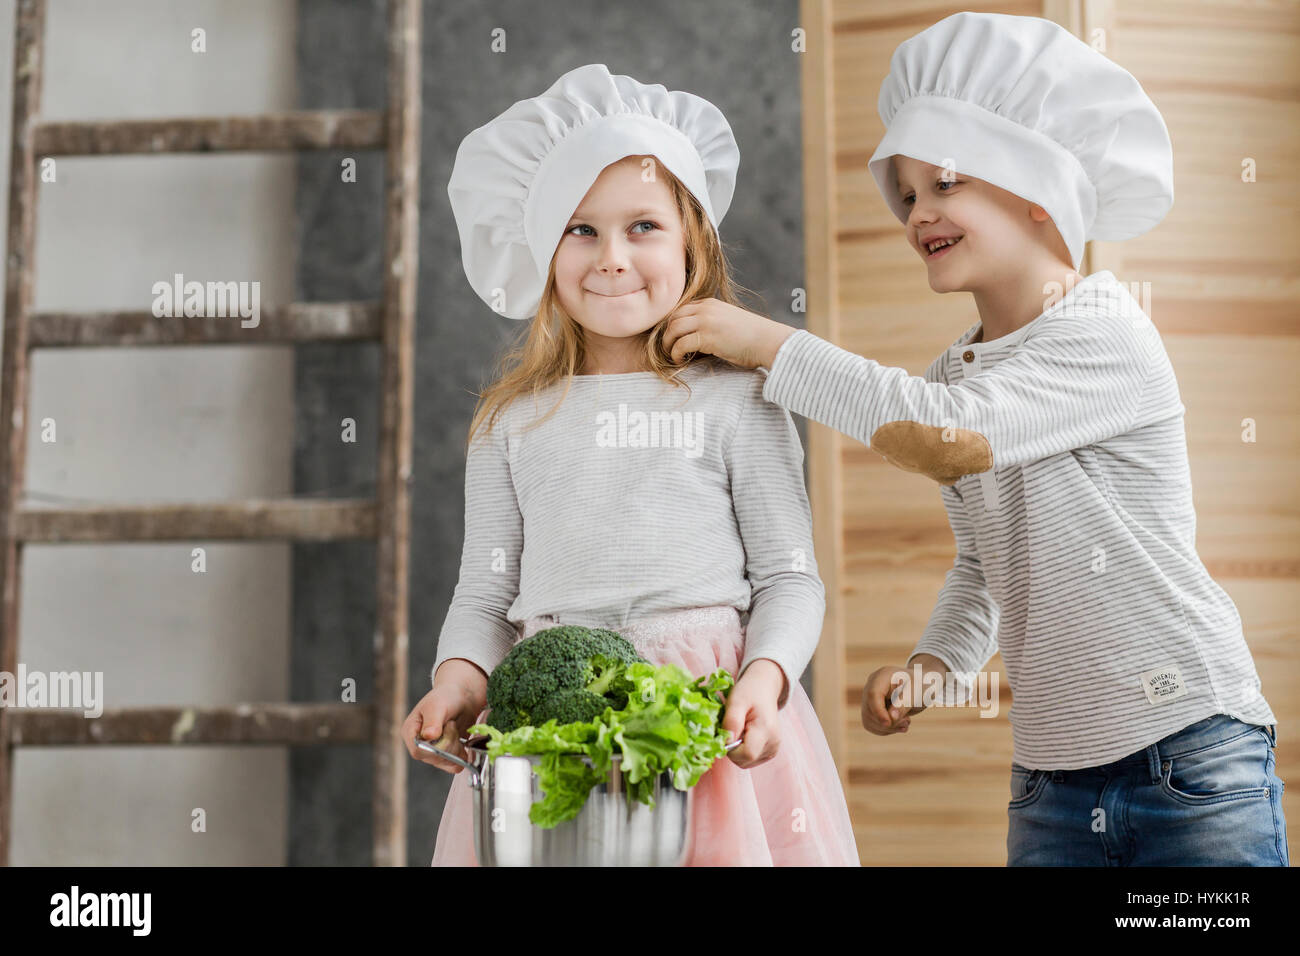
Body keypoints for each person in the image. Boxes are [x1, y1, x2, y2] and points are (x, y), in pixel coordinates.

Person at [661, 12, 1288, 866]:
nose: (919, 212)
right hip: (1051, 778)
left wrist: (769, 344)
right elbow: (988, 564)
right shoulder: (955, 372)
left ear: (1038, 189)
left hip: (1187, 753)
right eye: (908, 193)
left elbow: (946, 439)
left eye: (945, 183)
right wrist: (933, 669)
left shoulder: (1101, 327)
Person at [402, 64, 860, 866]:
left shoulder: (738, 398)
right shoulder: (512, 420)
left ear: (693, 239)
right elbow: (485, 592)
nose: (612, 257)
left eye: (642, 226)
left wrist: (766, 679)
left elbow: (790, 578)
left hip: (707, 722)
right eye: (581, 230)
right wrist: (459, 679)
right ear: (543, 250)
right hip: (554, 733)